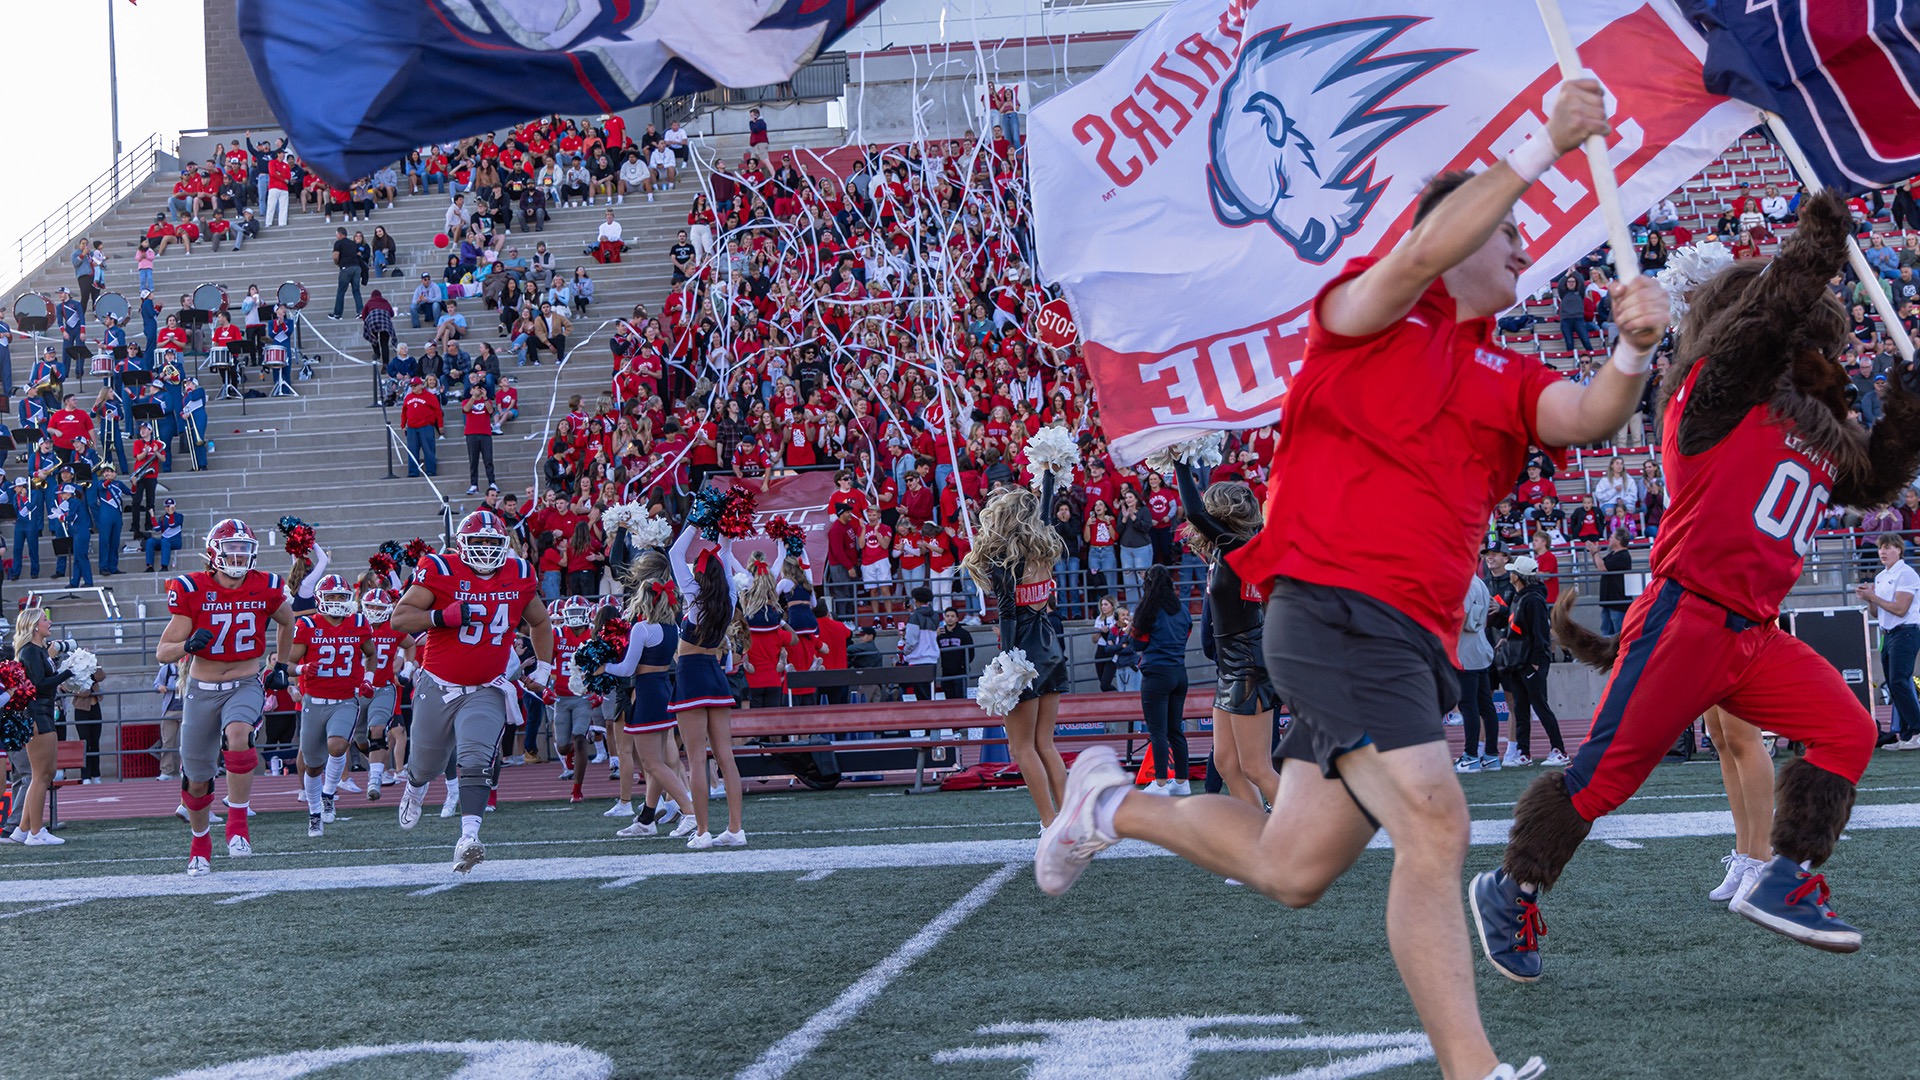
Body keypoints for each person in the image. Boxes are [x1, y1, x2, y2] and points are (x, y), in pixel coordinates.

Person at [1034, 79, 1657, 1080]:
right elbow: (1419, 253)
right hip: (1333, 610)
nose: (1520, 248)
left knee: (1293, 868)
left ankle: (1110, 805)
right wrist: (1539, 150)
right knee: (1437, 819)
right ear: (1453, 235)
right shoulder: (1366, 314)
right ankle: (1474, 1070)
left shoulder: (1507, 374)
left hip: (1405, 637)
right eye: (1503, 233)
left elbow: (1591, 417)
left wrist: (1633, 348)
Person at [1474, 191, 1920, 981]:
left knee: (1849, 731)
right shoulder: (1716, 393)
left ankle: (1787, 878)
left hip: (1752, 632)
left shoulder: (1810, 427)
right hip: (1687, 618)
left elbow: (1879, 475)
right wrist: (1818, 246)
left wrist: (1911, 407)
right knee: (1603, 779)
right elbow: (1765, 324)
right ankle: (1511, 886)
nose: (1828, 363)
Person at [390, 510, 555, 873]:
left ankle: (469, 837)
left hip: (488, 685)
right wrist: (440, 617)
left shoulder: (520, 574)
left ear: (504, 546)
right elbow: (399, 618)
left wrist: (544, 667)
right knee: (426, 762)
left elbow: (540, 621)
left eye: (491, 543)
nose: (484, 550)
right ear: (462, 545)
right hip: (438, 683)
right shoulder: (441, 570)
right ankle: (415, 788)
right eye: (477, 542)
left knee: (476, 758)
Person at [156, 519, 297, 875]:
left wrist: (280, 663)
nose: (237, 555)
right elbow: (163, 652)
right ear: (213, 552)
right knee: (197, 778)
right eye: (231, 548)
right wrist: (187, 646)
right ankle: (200, 841)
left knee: (239, 735)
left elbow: (287, 620)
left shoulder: (265, 585)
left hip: (245, 681)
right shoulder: (193, 588)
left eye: (243, 549)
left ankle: (237, 822)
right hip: (201, 690)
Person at [963, 480, 1069, 826]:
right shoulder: (1044, 547)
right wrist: (1049, 477)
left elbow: (1006, 614)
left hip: (1023, 652)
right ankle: (1069, 820)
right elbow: (1047, 513)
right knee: (1046, 744)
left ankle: (1049, 823)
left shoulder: (1003, 559)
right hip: (1051, 646)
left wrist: (1005, 663)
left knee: (1022, 748)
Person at [1175, 458, 1279, 809]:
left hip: (1248, 663)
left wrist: (1180, 460)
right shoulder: (1231, 549)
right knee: (1226, 763)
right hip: (1233, 664)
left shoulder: (1237, 547)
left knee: (1256, 767)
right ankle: (1260, 838)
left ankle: (1305, 832)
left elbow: (1191, 510)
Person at [667, 525, 749, 848]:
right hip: (715, 674)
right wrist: (725, 531)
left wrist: (698, 522)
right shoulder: (729, 600)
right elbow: (726, 554)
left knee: (697, 758)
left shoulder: (694, 598)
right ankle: (735, 829)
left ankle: (702, 832)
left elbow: (675, 552)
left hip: (691, 674)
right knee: (726, 756)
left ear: (699, 577)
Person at [288, 575, 373, 837]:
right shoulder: (306, 625)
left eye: (341, 597)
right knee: (313, 765)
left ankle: (329, 793)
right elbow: (289, 664)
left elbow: (371, 653)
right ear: (320, 599)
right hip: (314, 701)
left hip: (345, 699)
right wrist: (302, 669)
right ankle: (314, 812)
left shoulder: (358, 622)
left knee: (338, 746)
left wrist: (368, 679)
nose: (337, 602)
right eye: (332, 596)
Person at [5, 607, 75, 844]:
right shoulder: (30, 651)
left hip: (44, 713)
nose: (50, 621)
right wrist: (68, 673)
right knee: (40, 776)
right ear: (34, 625)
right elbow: (39, 684)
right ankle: (36, 832)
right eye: (45, 619)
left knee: (47, 772)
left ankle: (22, 830)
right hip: (35, 714)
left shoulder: (39, 650)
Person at [1497, 556, 1566, 767]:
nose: (1510, 574)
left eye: (1513, 571)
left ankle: (1559, 750)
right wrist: (1506, 638)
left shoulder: (1533, 599)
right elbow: (1518, 626)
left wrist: (1536, 661)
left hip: (1530, 661)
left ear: (1519, 576)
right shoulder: (1520, 597)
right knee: (1520, 707)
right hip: (1519, 660)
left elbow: (1541, 633)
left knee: (1539, 704)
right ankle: (1523, 752)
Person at [1133, 564, 1193, 795]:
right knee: (1175, 729)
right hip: (1179, 671)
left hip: (1157, 672)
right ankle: (1181, 782)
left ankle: (1159, 783)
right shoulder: (1182, 609)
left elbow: (1138, 642)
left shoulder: (1148, 608)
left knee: (1157, 730)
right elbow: (1187, 633)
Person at [1861, 532, 1920, 748]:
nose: (1882, 552)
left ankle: (1916, 730)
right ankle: (1906, 734)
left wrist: (1874, 597)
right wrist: (1870, 597)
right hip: (1889, 634)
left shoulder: (1906, 574)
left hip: (1905, 631)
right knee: (1895, 684)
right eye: (1880, 548)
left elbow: (1901, 609)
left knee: (1899, 681)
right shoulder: (1881, 576)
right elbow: (1878, 613)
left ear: (1899, 550)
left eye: (1888, 547)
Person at [357, 587, 413, 799]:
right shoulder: (355, 625)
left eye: (379, 607)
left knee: (378, 730)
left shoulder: (393, 628)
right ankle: (376, 766)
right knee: (361, 740)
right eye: (371, 606)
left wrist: (408, 668)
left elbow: (410, 645)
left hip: (383, 688)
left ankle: (375, 780)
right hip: (356, 691)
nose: (374, 610)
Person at [549, 596, 598, 803]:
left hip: (583, 696)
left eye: (580, 613)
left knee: (578, 738)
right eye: (573, 613)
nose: (576, 618)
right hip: (561, 696)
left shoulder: (594, 635)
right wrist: (545, 686)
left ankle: (576, 790)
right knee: (562, 746)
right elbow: (546, 661)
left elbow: (600, 665)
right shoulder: (557, 633)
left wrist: (598, 691)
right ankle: (574, 752)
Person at [1454, 571, 1501, 773]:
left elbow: (1461, 619)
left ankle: (1471, 756)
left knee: (1468, 705)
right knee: (1485, 705)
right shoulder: (1478, 582)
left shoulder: (1463, 584)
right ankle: (1490, 755)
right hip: (1480, 648)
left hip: (1466, 651)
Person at [460, 383, 497, 494]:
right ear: (471, 391)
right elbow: (466, 409)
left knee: (488, 459)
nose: (478, 391)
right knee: (473, 460)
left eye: (480, 389)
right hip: (471, 434)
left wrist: (485, 397)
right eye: (476, 389)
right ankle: (474, 484)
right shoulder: (466, 401)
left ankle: (492, 482)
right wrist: (473, 397)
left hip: (485, 433)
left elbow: (490, 411)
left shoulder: (487, 401)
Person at [328, 227, 364, 320]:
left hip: (346, 268)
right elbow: (359, 254)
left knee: (341, 291)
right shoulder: (353, 243)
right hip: (356, 267)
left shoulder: (338, 243)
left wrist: (337, 263)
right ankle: (360, 311)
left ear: (339, 234)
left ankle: (338, 314)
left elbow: (335, 256)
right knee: (356, 290)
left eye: (337, 235)